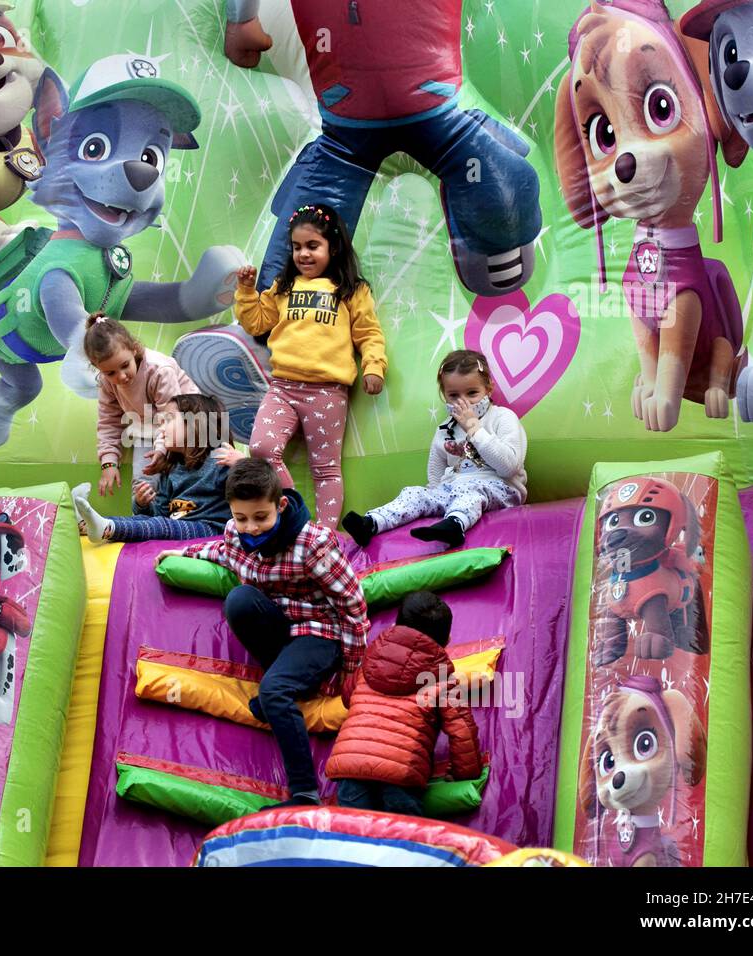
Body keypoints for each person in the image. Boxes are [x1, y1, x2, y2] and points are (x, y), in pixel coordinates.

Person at [155, 458, 369, 806]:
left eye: (260, 517)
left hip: (319, 634)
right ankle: (282, 688)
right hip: (281, 631)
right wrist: (184, 553)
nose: (251, 528)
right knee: (239, 599)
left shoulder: (312, 544)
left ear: (280, 506)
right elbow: (224, 553)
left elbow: (353, 605)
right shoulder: (235, 534)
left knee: (272, 692)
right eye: (241, 518)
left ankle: (304, 792)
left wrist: (351, 668)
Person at [234, 203, 386, 529]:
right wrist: (247, 292)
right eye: (297, 247)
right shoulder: (284, 286)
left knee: (326, 468)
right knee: (261, 448)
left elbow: (369, 334)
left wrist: (374, 367)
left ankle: (324, 537)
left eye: (312, 246)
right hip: (283, 387)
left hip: (327, 392)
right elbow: (257, 323)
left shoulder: (351, 289)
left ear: (333, 246)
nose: (303, 254)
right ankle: (297, 521)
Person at [343, 349, 526, 549]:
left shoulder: (502, 418)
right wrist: (431, 499)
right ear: (444, 395)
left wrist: (475, 428)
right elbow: (436, 478)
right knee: (415, 493)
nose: (463, 402)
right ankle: (372, 523)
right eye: (454, 395)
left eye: (472, 393)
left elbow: (509, 467)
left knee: (472, 492)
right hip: (454, 489)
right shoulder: (444, 429)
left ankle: (455, 525)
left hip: (498, 489)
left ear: (488, 388)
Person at [325, 590, 482, 814]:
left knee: (353, 837)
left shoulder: (370, 662)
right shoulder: (441, 679)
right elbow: (461, 730)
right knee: (401, 837)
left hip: (351, 764)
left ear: (396, 624)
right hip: (401, 772)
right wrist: (465, 772)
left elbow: (348, 697)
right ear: (446, 641)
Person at [73, 394, 235, 543]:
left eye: (168, 420)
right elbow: (160, 512)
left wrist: (239, 464)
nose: (160, 430)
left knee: (163, 525)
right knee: (142, 520)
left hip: (211, 529)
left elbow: (253, 488)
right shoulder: (172, 468)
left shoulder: (220, 460)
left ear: (195, 423)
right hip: (175, 525)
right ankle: (86, 525)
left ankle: (108, 528)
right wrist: (142, 504)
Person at [85, 313, 199, 499]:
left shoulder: (159, 370)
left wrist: (162, 450)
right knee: (142, 484)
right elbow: (109, 422)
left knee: (184, 479)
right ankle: (143, 525)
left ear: (134, 349)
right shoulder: (107, 383)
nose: (121, 377)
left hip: (186, 423)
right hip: (147, 427)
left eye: (125, 365)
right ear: (98, 368)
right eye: (110, 372)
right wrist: (109, 462)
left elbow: (171, 417)